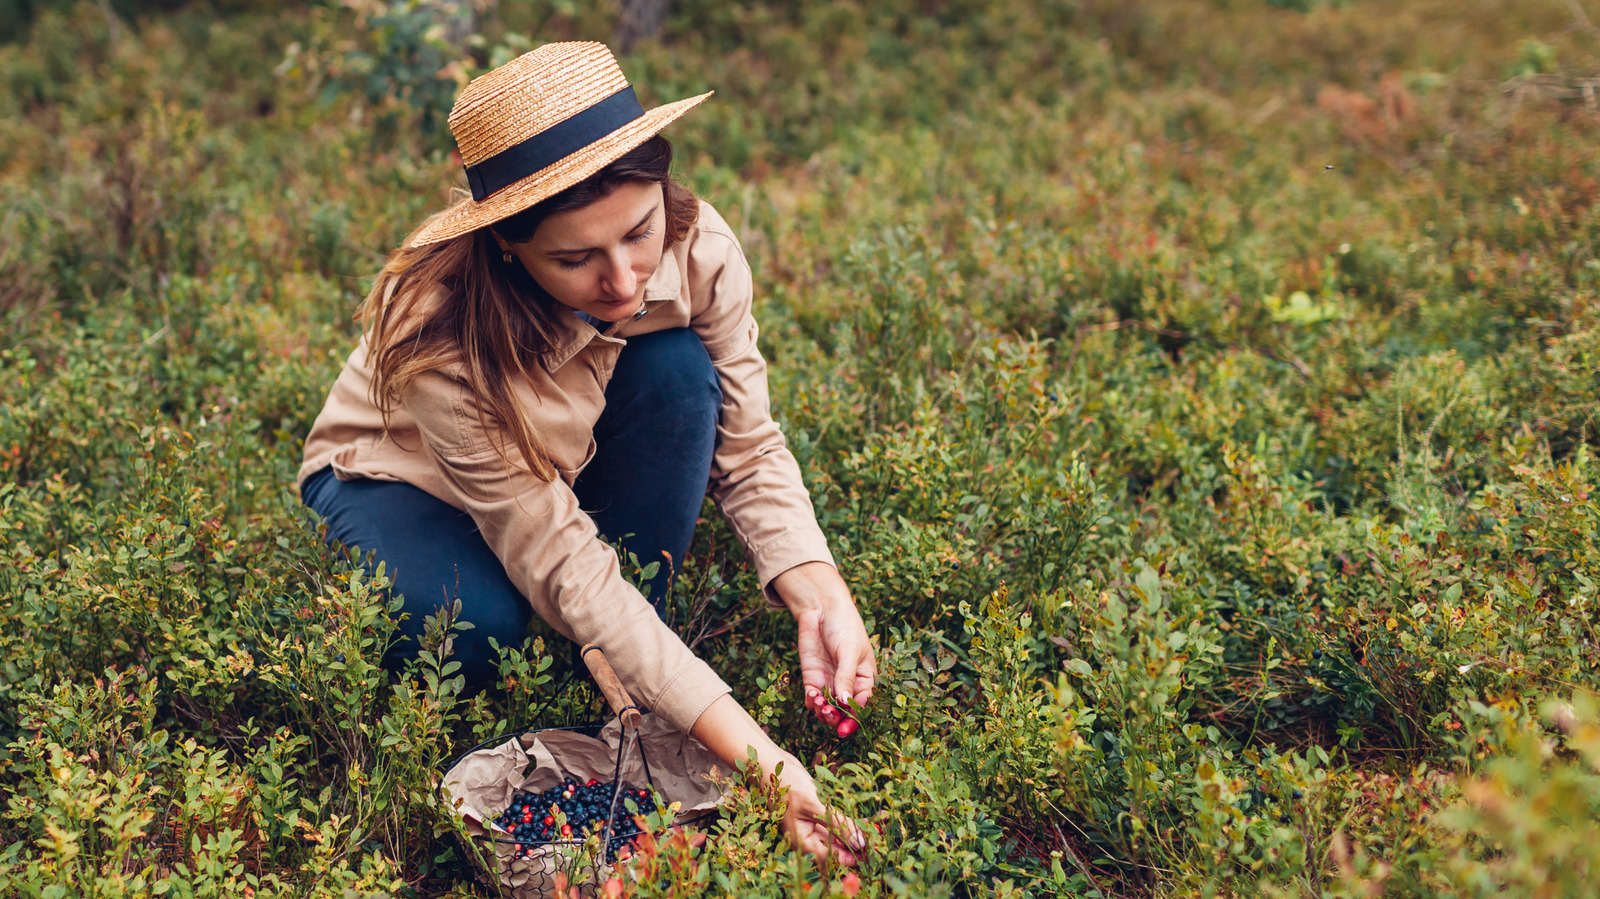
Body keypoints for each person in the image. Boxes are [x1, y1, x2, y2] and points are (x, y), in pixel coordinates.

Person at [296, 42, 875, 862]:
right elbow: (563, 559)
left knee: (679, 370)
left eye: (639, 231)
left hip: (563, 458)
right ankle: (609, 654)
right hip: (402, 478)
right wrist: (763, 759)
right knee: (473, 631)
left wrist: (820, 594)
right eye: (575, 258)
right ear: (508, 243)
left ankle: (638, 651)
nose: (624, 279)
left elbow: (748, 445)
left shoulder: (698, 245)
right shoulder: (439, 337)